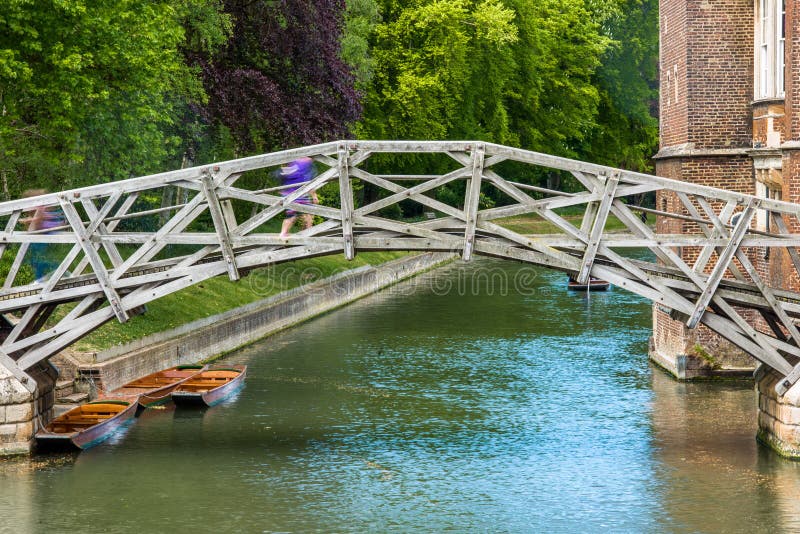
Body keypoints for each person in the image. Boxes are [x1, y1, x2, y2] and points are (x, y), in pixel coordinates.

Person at [20, 189, 63, 282]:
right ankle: (44, 278)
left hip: (46, 235)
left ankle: (43, 279)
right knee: (37, 260)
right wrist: (30, 220)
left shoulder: (40, 207)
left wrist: (29, 221)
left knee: (40, 260)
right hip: (43, 236)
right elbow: (38, 220)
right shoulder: (39, 208)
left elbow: (39, 220)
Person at [279, 157, 319, 238]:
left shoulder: (293, 164)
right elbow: (309, 182)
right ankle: (306, 233)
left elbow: (283, 177)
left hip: (292, 194)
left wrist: (282, 190)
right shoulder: (302, 165)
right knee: (305, 214)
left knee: (294, 215)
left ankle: (283, 233)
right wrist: (314, 196)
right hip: (298, 194)